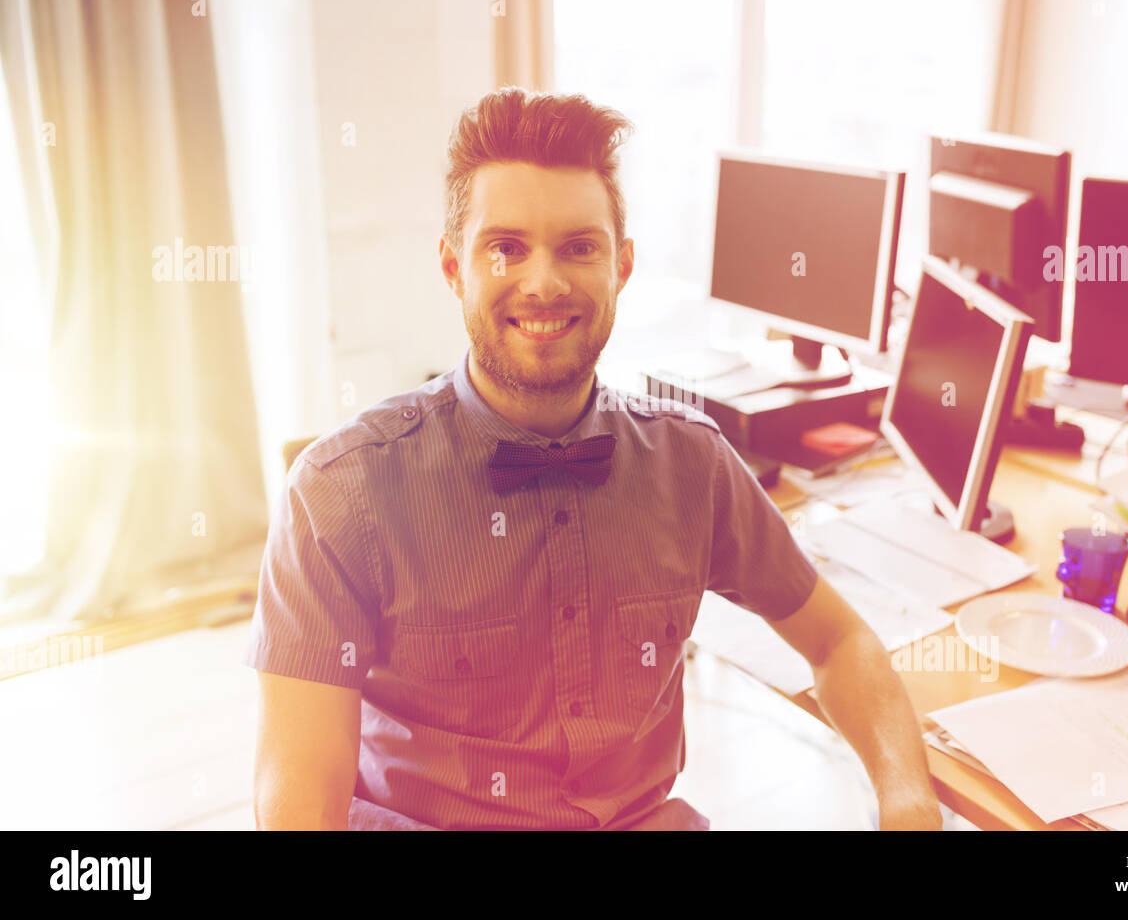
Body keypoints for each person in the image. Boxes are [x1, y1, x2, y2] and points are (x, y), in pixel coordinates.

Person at [245, 87, 942, 830]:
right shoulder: (340, 494)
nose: (543, 282)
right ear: (454, 269)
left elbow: (840, 640)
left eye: (579, 247)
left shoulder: (693, 464)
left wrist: (908, 799)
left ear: (621, 266)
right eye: (505, 247)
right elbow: (299, 804)